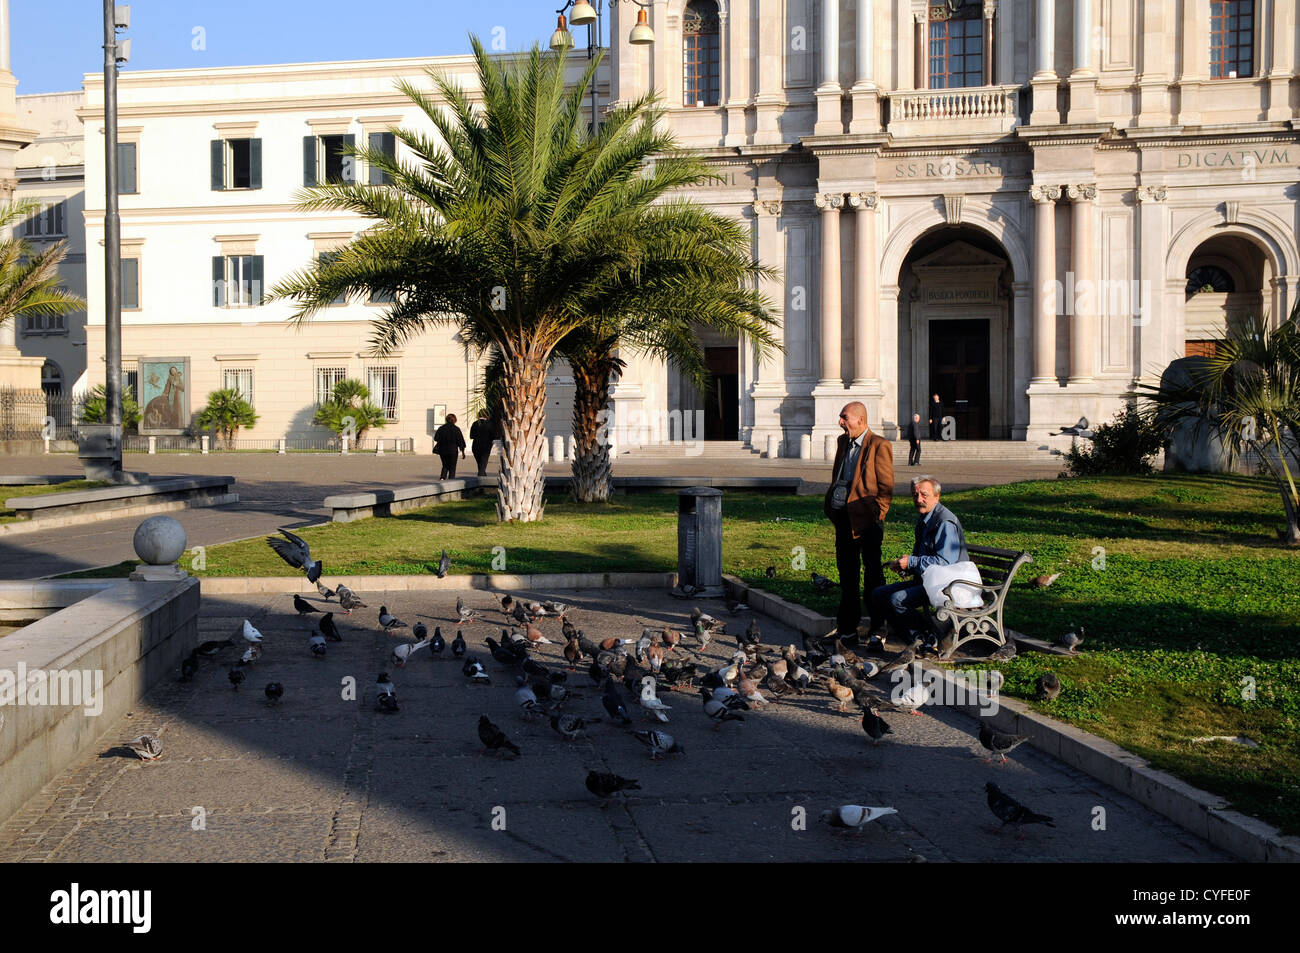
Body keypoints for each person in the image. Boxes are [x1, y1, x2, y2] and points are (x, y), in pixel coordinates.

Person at [823, 401, 894, 648]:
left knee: (873, 576)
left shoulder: (879, 445)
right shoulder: (843, 442)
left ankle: (878, 630)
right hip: (844, 519)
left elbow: (886, 488)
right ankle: (847, 630)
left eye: (844, 417)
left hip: (868, 521)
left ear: (860, 420)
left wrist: (878, 516)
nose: (840, 422)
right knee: (847, 576)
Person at [871, 475, 970, 651]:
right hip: (929, 581)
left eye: (924, 495)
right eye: (915, 495)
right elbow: (922, 557)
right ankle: (916, 638)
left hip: (947, 585)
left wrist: (913, 562)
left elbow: (945, 562)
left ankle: (926, 639)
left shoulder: (944, 522)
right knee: (879, 594)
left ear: (937, 496)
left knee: (897, 599)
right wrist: (905, 565)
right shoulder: (925, 519)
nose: (919, 500)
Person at [433, 413, 466, 479]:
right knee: (452, 467)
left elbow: (436, 438)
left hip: (443, 450)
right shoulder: (456, 429)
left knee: (445, 465)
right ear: (455, 420)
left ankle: (442, 478)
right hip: (453, 450)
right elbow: (460, 441)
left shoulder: (441, 428)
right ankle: (451, 480)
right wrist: (462, 451)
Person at [469, 412, 495, 477]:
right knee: (483, 463)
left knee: (480, 463)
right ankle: (481, 477)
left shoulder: (475, 424)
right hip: (486, 446)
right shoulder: (489, 424)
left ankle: (483, 475)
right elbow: (493, 435)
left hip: (476, 445)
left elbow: (471, 436)